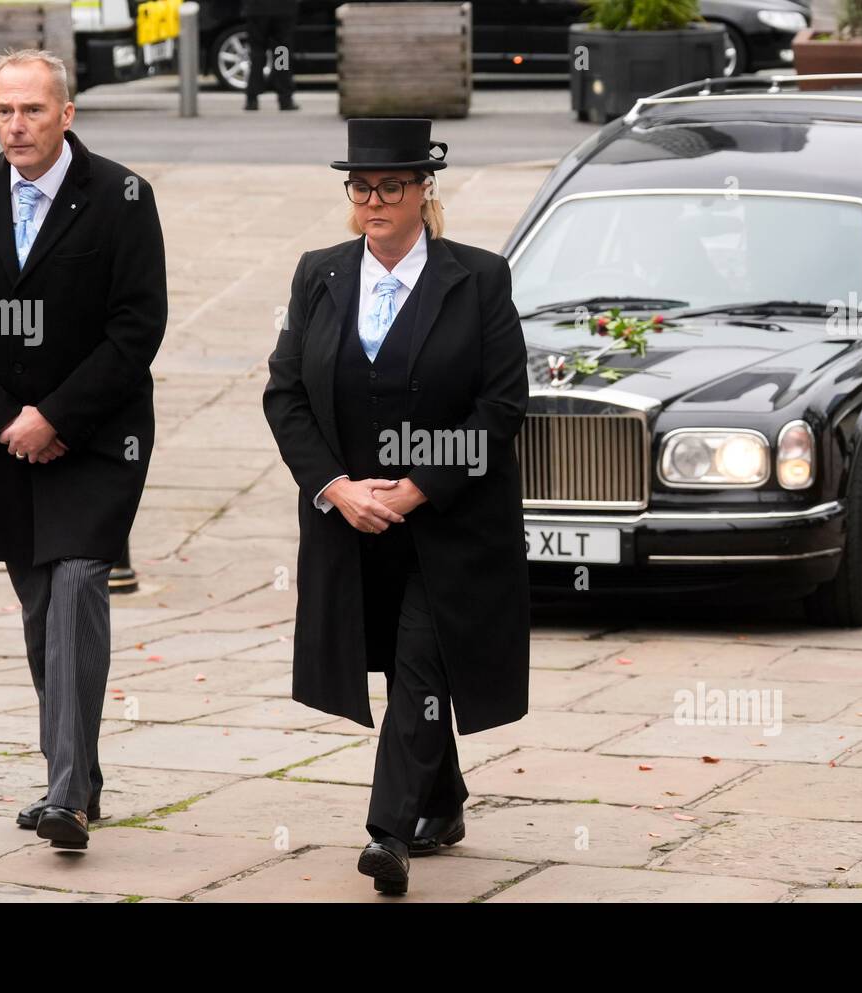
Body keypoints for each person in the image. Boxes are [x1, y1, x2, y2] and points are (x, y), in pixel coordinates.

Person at [262, 118, 531, 896]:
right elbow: (286, 395)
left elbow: (503, 404)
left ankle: (388, 833)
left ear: (422, 192)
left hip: (451, 525)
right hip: (351, 524)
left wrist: (419, 485)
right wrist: (337, 488)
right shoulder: (318, 274)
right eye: (361, 187)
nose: (373, 200)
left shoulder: (479, 278)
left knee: (419, 662)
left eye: (390, 187)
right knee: (401, 672)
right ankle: (440, 804)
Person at [0, 49, 167, 852]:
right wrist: (7, 421)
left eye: (32, 110)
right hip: (4, 443)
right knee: (41, 613)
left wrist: (56, 414)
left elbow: (138, 326)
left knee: (78, 584)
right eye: (4, 112)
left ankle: (65, 793)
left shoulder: (124, 197)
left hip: (100, 438)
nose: (17, 126)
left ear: (68, 113)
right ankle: (79, 776)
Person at [241, 0, 299, 111]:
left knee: (257, 53)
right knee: (281, 52)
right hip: (283, 9)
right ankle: (285, 99)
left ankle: (252, 99)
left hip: (257, 8)